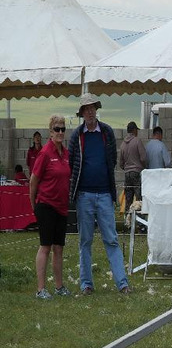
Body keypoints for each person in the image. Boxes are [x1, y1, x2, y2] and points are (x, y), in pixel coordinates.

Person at [68, 93, 130, 294]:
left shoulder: (107, 132)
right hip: (84, 195)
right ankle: (86, 284)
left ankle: (122, 283)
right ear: (82, 113)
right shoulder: (77, 136)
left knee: (111, 239)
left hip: (104, 194)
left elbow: (111, 161)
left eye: (93, 107)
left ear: (97, 109)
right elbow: (72, 164)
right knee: (85, 241)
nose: (90, 111)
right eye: (86, 108)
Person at [29, 115, 71, 299]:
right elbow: (33, 181)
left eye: (62, 129)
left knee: (59, 247)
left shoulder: (66, 153)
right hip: (46, 205)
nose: (60, 132)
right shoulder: (45, 153)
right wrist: (34, 205)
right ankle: (40, 289)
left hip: (62, 206)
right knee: (45, 246)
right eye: (56, 129)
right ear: (50, 131)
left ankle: (59, 286)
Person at [118, 121, 147, 213]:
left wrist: (127, 168)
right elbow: (143, 158)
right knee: (139, 199)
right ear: (134, 130)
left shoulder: (123, 144)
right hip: (136, 172)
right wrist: (143, 167)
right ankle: (139, 221)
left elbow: (120, 163)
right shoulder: (137, 141)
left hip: (127, 174)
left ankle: (128, 220)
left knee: (128, 199)